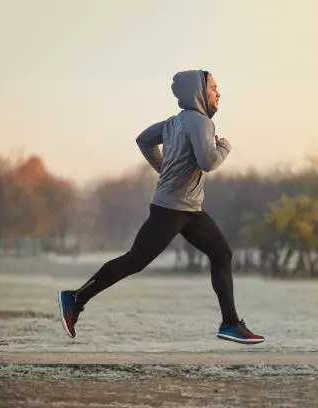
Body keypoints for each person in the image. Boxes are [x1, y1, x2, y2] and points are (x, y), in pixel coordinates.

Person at [57, 69, 265, 345]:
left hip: (189, 209)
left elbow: (143, 139)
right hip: (172, 209)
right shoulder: (202, 123)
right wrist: (225, 148)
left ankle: (230, 323)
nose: (218, 93)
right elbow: (208, 162)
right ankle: (75, 299)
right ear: (199, 91)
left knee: (221, 254)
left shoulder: (174, 122)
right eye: (214, 87)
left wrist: (163, 167)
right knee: (135, 260)